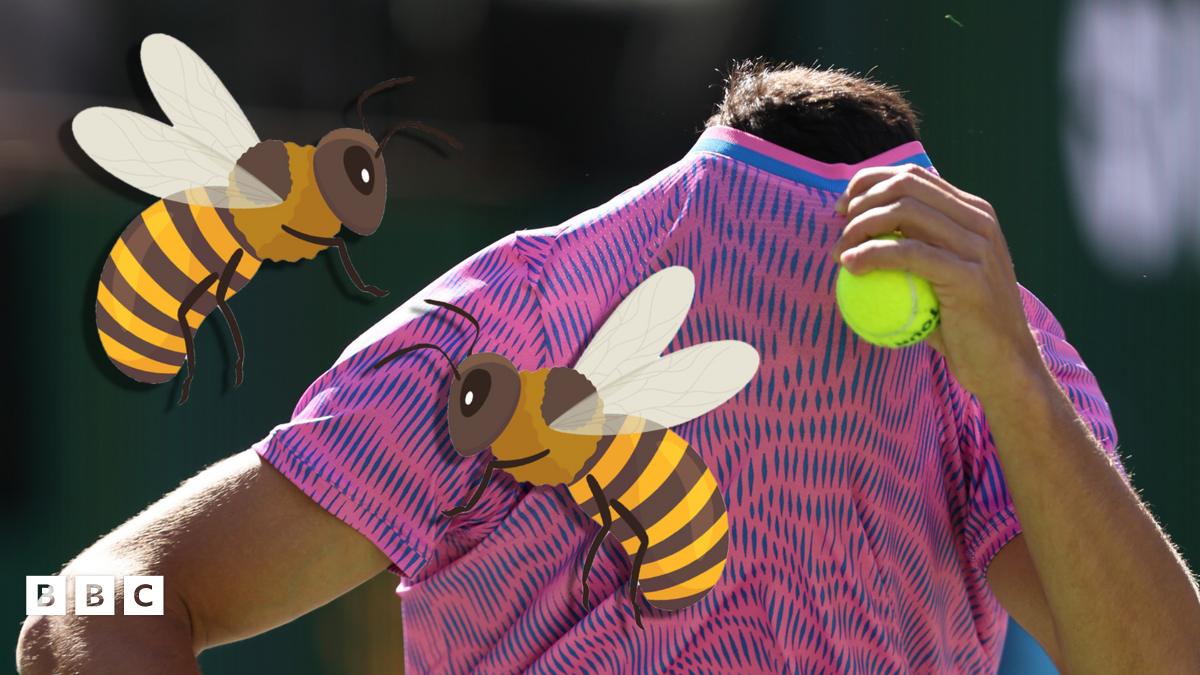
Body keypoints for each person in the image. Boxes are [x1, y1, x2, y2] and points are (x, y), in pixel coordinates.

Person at [17, 61, 1200, 674]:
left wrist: (1017, 385)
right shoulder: (1001, 353)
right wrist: (1018, 384)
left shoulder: (520, 311)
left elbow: (91, 604)